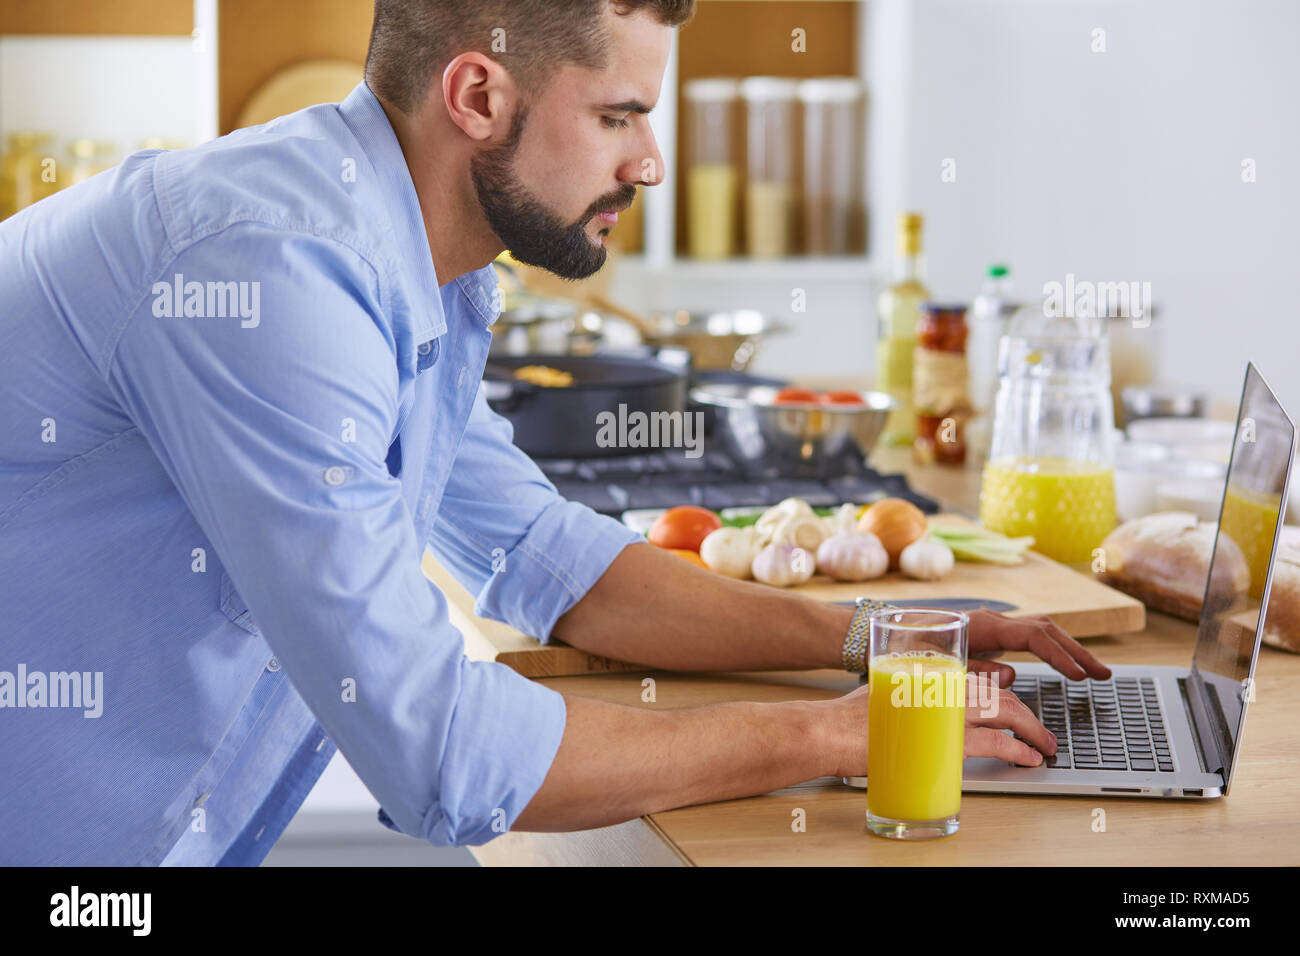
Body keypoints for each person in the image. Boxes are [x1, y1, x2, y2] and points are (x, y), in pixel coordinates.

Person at [0, 0, 1107, 866]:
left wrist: (884, 640)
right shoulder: (269, 269)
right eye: (618, 116)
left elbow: (546, 558)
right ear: (478, 94)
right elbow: (439, 746)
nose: (650, 163)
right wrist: (837, 734)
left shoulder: (406, 266)